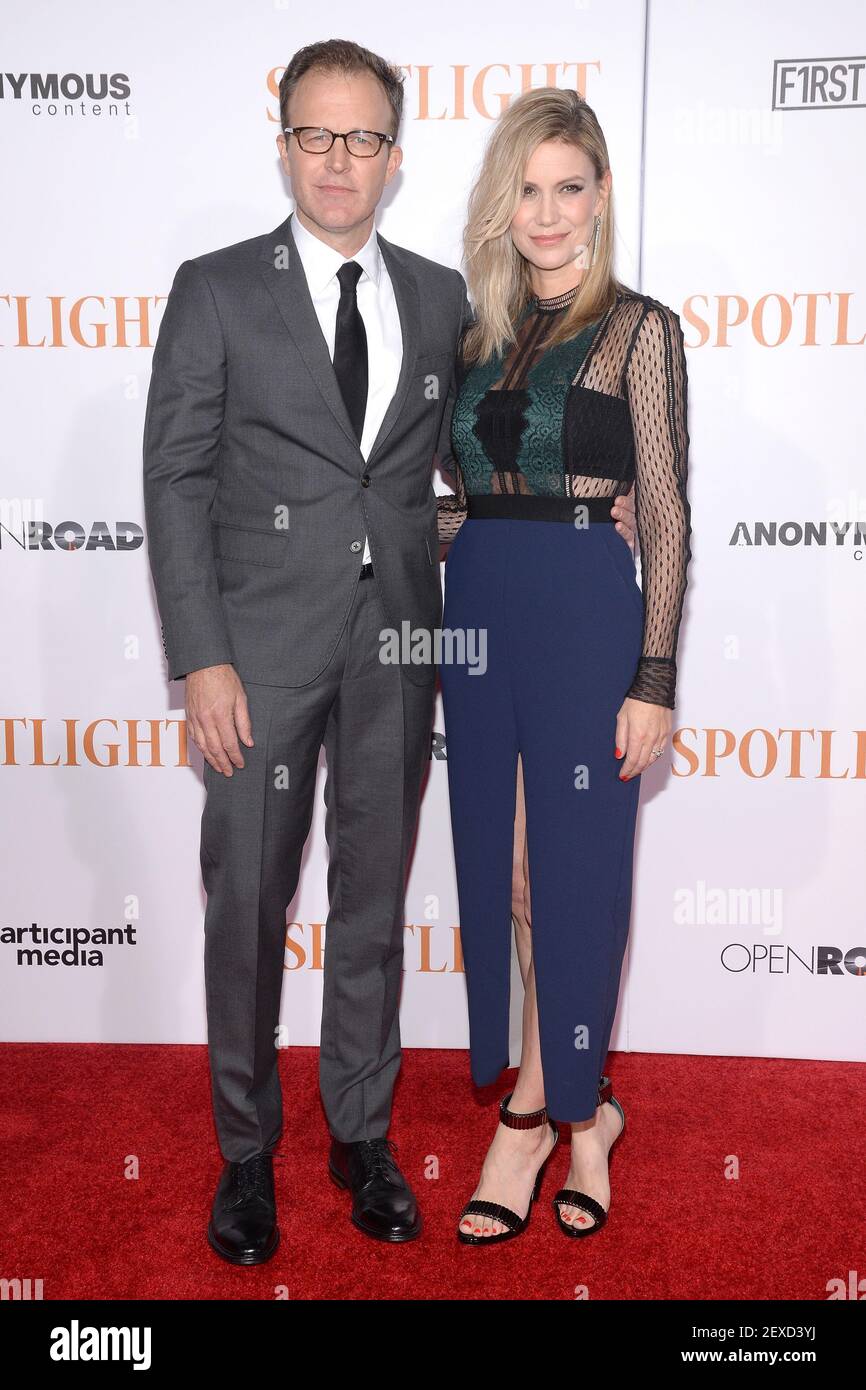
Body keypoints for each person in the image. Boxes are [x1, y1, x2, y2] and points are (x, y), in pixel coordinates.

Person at [143, 38, 638, 1264]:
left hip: (400, 650)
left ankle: (360, 1137)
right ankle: (245, 1157)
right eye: (315, 135)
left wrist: (590, 502)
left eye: (361, 139)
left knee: (370, 903)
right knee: (249, 907)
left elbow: (472, 459)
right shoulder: (213, 289)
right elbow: (172, 479)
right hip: (252, 662)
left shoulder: (437, 301)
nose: (337, 161)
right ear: (284, 147)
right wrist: (200, 658)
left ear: (394, 158)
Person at [436, 86, 692, 1243]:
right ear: (505, 201)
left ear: (598, 198)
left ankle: (540, 1113)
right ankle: (581, 1113)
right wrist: (446, 530)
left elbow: (669, 511)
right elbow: (465, 500)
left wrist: (654, 676)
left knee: (570, 876)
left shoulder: (639, 328)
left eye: (568, 188)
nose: (547, 213)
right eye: (526, 189)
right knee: (512, 874)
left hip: (590, 617)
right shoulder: (474, 333)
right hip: (481, 612)